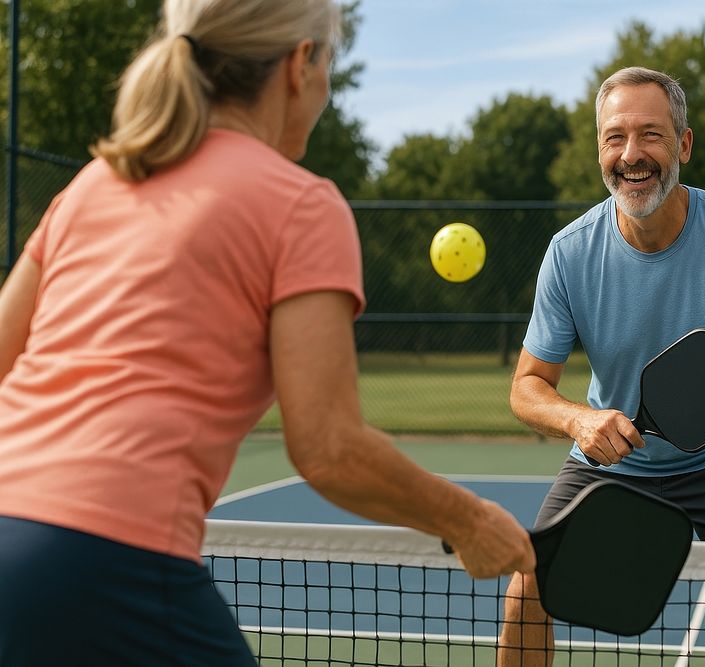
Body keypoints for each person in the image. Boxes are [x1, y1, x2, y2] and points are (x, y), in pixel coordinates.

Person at [0, 1, 534, 665]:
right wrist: (471, 520)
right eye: (329, 64)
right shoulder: (303, 205)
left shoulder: (90, 186)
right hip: (106, 561)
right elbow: (329, 449)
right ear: (299, 64)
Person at [497, 66, 705, 666]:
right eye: (614, 137)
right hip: (614, 462)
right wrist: (579, 421)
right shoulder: (570, 253)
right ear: (599, 149)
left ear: (684, 144)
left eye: (650, 134)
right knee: (526, 594)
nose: (631, 154)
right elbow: (527, 387)